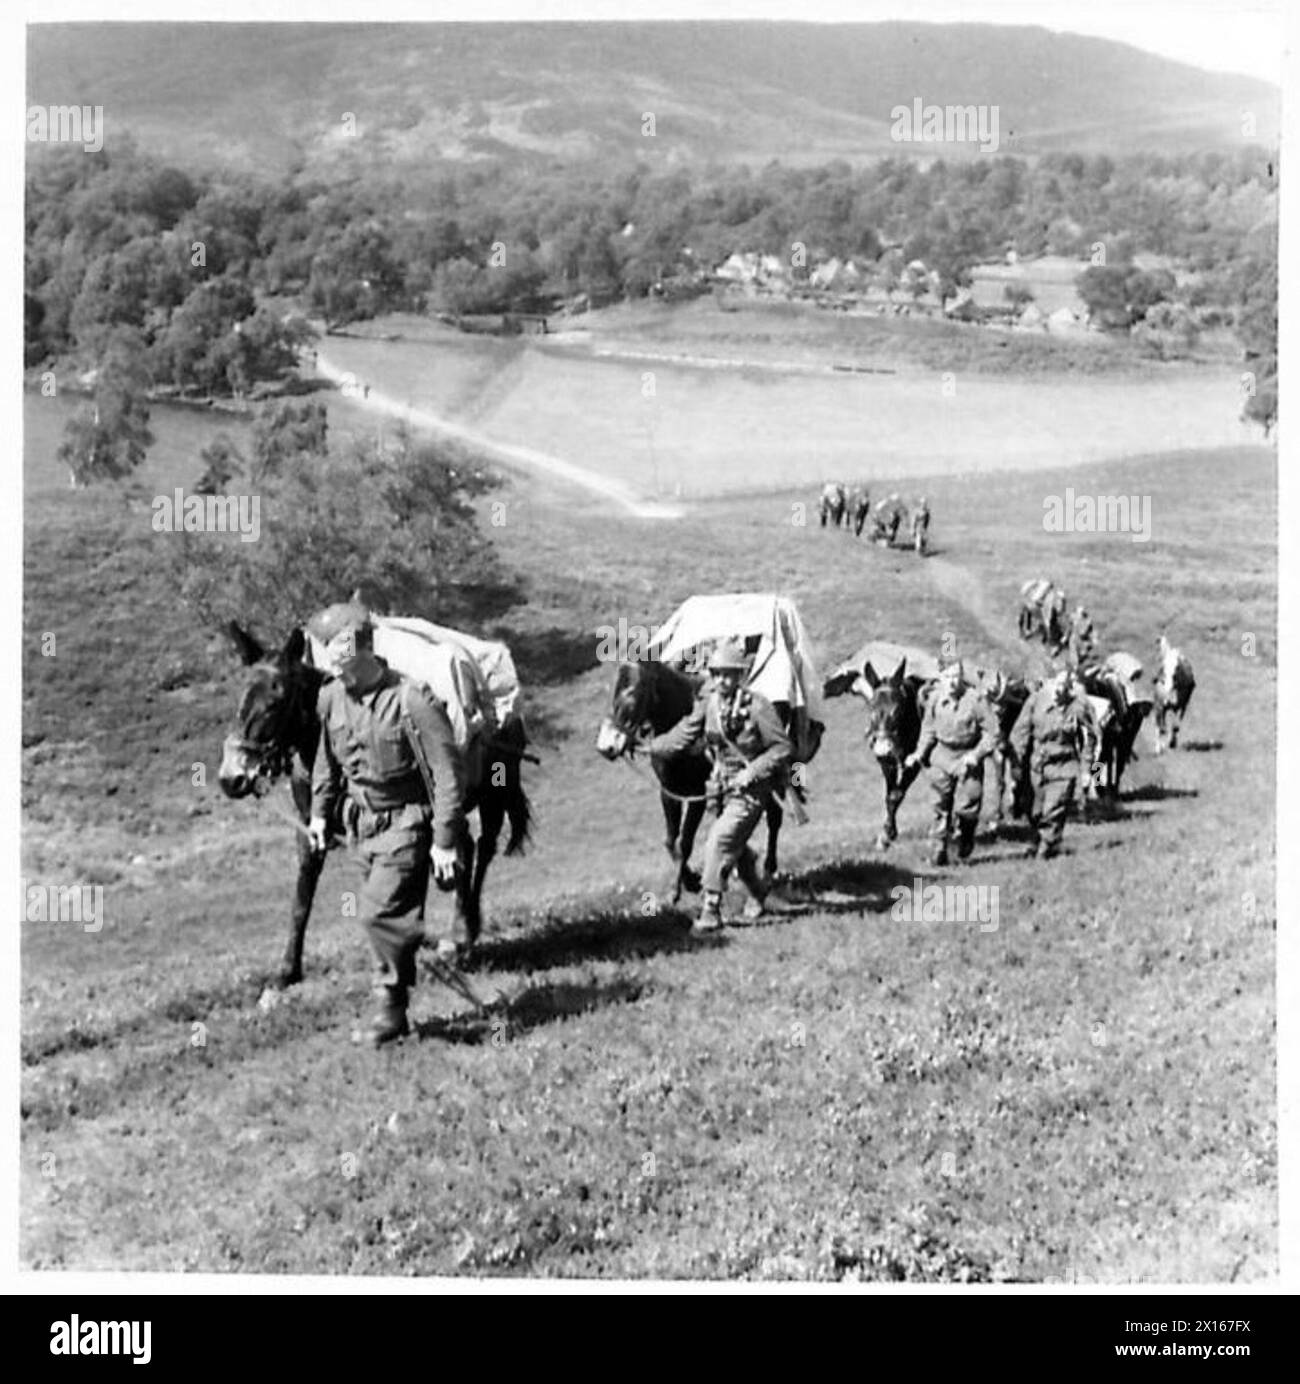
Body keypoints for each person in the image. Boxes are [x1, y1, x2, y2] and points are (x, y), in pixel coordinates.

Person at [307, 601, 466, 1046]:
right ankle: (397, 988)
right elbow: (326, 763)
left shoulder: (412, 700)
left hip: (408, 824)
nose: (336, 672)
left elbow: (447, 774)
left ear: (363, 650)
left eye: (341, 661)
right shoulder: (331, 698)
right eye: (330, 663)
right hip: (361, 826)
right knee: (386, 915)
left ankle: (390, 1010)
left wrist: (446, 841)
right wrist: (320, 813)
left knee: (378, 912)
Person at [647, 639, 795, 932]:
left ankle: (710, 910)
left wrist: (751, 771)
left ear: (740, 676)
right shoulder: (709, 705)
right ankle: (758, 891)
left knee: (718, 841)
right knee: (736, 849)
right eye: (717, 674)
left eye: (729, 674)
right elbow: (682, 735)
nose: (722, 680)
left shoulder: (758, 706)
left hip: (752, 790)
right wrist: (647, 746)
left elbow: (782, 748)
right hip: (720, 789)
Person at [906, 657, 999, 865]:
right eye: (948, 677)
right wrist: (919, 754)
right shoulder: (935, 700)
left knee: (970, 803)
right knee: (939, 805)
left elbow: (992, 733)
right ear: (941, 678)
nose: (953, 682)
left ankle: (966, 838)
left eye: (957, 676)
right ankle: (938, 851)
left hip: (968, 756)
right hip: (942, 756)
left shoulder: (976, 700)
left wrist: (976, 755)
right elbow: (928, 731)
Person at [1009, 666, 1099, 860]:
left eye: (1063, 687)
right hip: (1038, 766)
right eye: (1056, 686)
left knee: (1053, 810)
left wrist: (1086, 770)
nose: (1058, 691)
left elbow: (1091, 738)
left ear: (1069, 688)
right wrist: (1017, 762)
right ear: (1051, 685)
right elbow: (1020, 732)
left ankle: (1046, 848)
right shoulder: (1036, 701)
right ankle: (1039, 840)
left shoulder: (1079, 707)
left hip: (1063, 767)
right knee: (1035, 811)